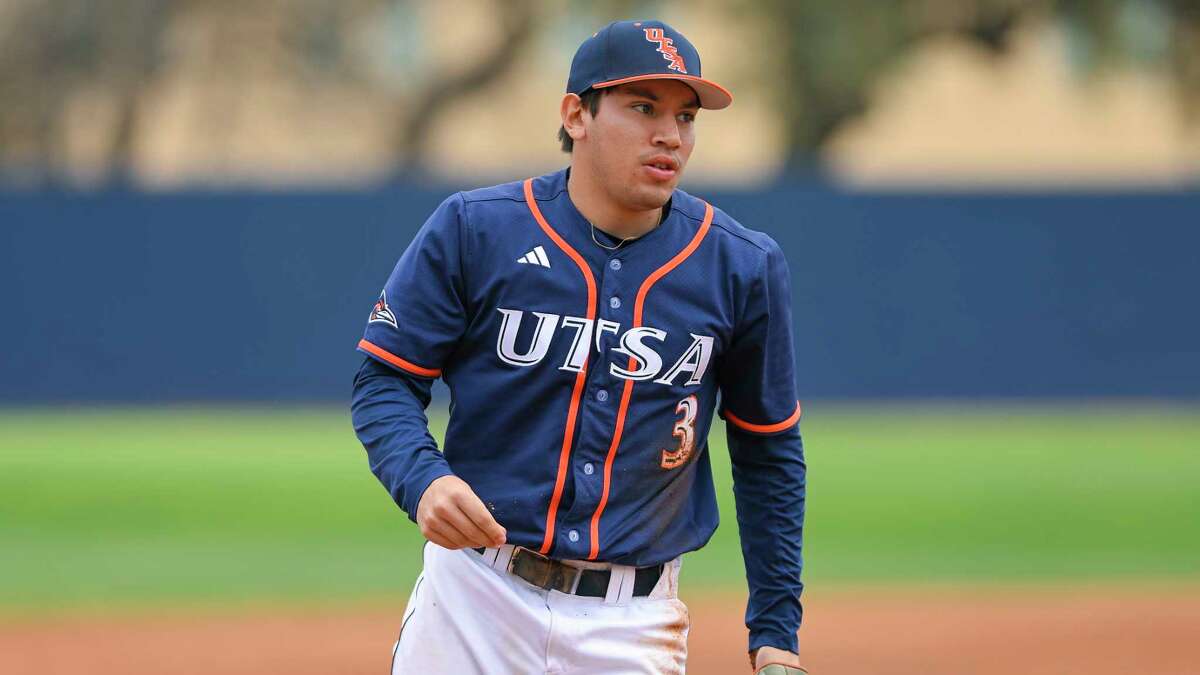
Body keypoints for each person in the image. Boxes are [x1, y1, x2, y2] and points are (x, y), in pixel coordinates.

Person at [351, 19, 806, 674]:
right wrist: (423, 478)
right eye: (643, 107)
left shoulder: (740, 266)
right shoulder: (476, 230)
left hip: (632, 621)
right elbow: (384, 380)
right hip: (475, 599)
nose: (669, 135)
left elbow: (768, 449)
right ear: (576, 113)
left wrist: (776, 629)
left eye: (685, 116)